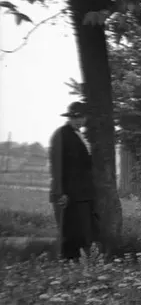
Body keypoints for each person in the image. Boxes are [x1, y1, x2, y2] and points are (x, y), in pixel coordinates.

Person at [48, 101, 98, 261]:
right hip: (68, 193)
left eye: (81, 117)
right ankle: (68, 264)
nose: (78, 121)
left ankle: (82, 263)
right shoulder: (61, 135)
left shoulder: (81, 135)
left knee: (85, 230)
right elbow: (57, 165)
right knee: (70, 231)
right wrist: (60, 193)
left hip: (84, 192)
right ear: (69, 117)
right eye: (74, 117)